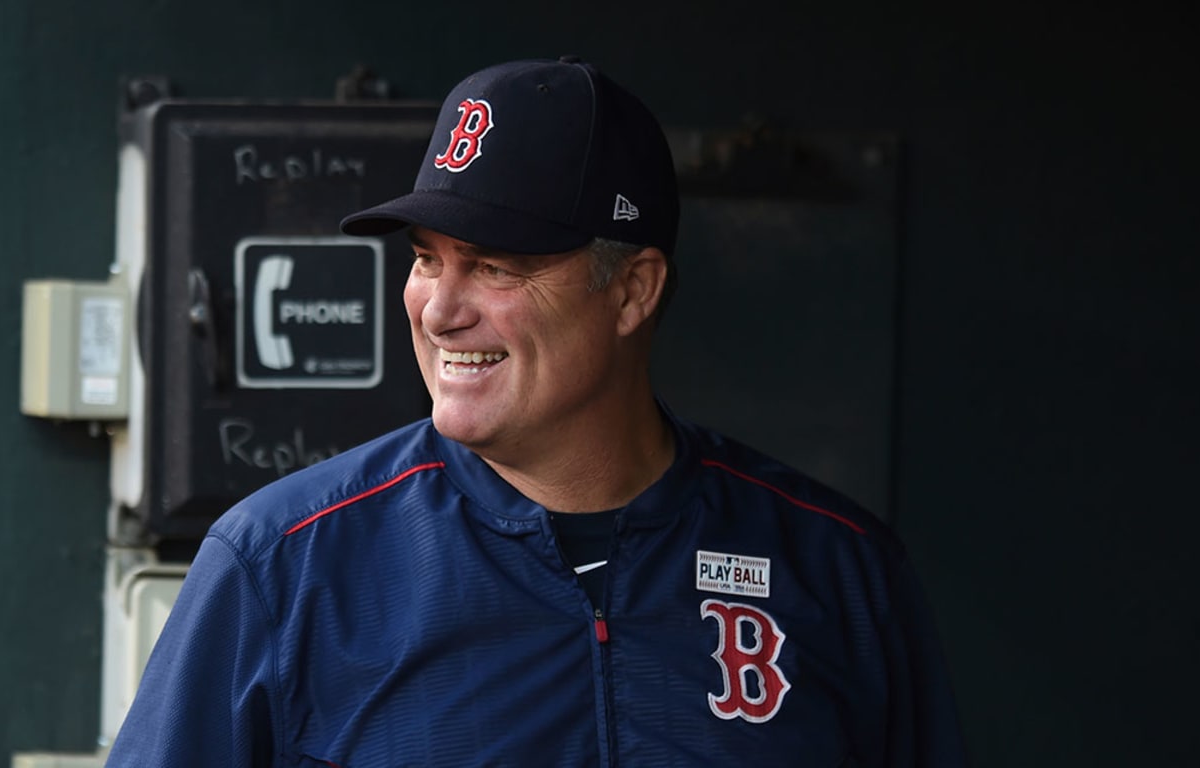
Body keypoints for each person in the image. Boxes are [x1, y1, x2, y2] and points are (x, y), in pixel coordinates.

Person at [105, 55, 965, 767]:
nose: (439, 309)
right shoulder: (282, 566)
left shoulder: (838, 571)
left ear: (632, 290)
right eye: (425, 259)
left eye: (493, 265)